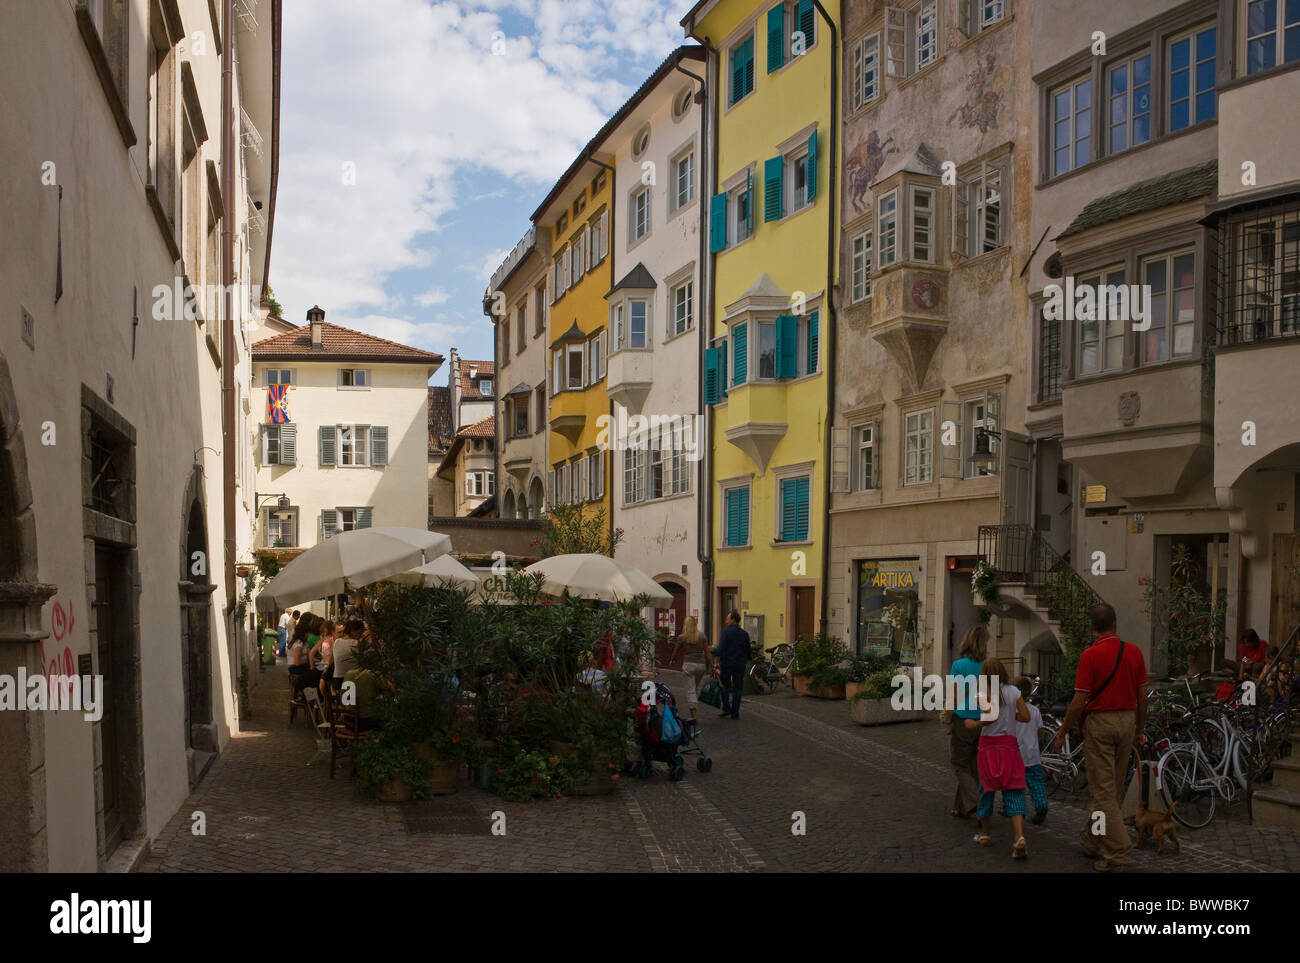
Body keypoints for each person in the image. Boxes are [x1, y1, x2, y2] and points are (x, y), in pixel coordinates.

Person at [1052, 602, 1147, 873]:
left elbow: (1078, 702)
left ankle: (1118, 851)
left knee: (1103, 791)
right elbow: (1143, 698)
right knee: (1111, 789)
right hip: (1127, 720)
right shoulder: (1134, 652)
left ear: (1094, 627)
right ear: (1115, 623)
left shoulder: (1090, 656)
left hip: (1100, 725)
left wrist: (1062, 732)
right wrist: (1140, 729)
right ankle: (1093, 838)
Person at [966, 657, 1031, 859]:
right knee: (1014, 790)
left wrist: (974, 724)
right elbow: (1026, 716)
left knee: (986, 789)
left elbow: (991, 716)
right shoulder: (1014, 692)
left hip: (989, 747)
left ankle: (985, 834)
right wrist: (1012, 716)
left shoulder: (982, 693)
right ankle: (1019, 837)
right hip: (1009, 746)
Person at [942, 626, 987, 819]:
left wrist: (947, 716)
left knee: (959, 764)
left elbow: (954, 696)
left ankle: (977, 802)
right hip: (982, 720)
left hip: (963, 720)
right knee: (972, 765)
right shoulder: (987, 665)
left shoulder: (959, 666)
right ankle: (960, 807)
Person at [1013, 676, 1049, 825]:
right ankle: (1041, 804)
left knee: (1015, 785)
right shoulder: (1035, 710)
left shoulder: (1012, 711)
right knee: (1036, 782)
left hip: (1016, 753)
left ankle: (1016, 810)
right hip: (1032, 753)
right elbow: (1039, 730)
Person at [674, 616, 714, 727]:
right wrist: (712, 665)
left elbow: (676, 650)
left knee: (690, 690)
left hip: (688, 665)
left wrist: (672, 659)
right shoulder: (702, 636)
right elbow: (707, 652)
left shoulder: (682, 637)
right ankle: (694, 705)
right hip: (701, 666)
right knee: (695, 688)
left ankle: (693, 716)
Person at [713, 610, 749, 720]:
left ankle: (727, 708)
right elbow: (748, 649)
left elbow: (721, 648)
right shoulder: (744, 633)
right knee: (738, 689)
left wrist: (716, 662)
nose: (726, 621)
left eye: (728, 619)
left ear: (733, 620)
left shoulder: (726, 632)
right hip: (740, 664)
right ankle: (735, 713)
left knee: (725, 686)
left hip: (728, 663)